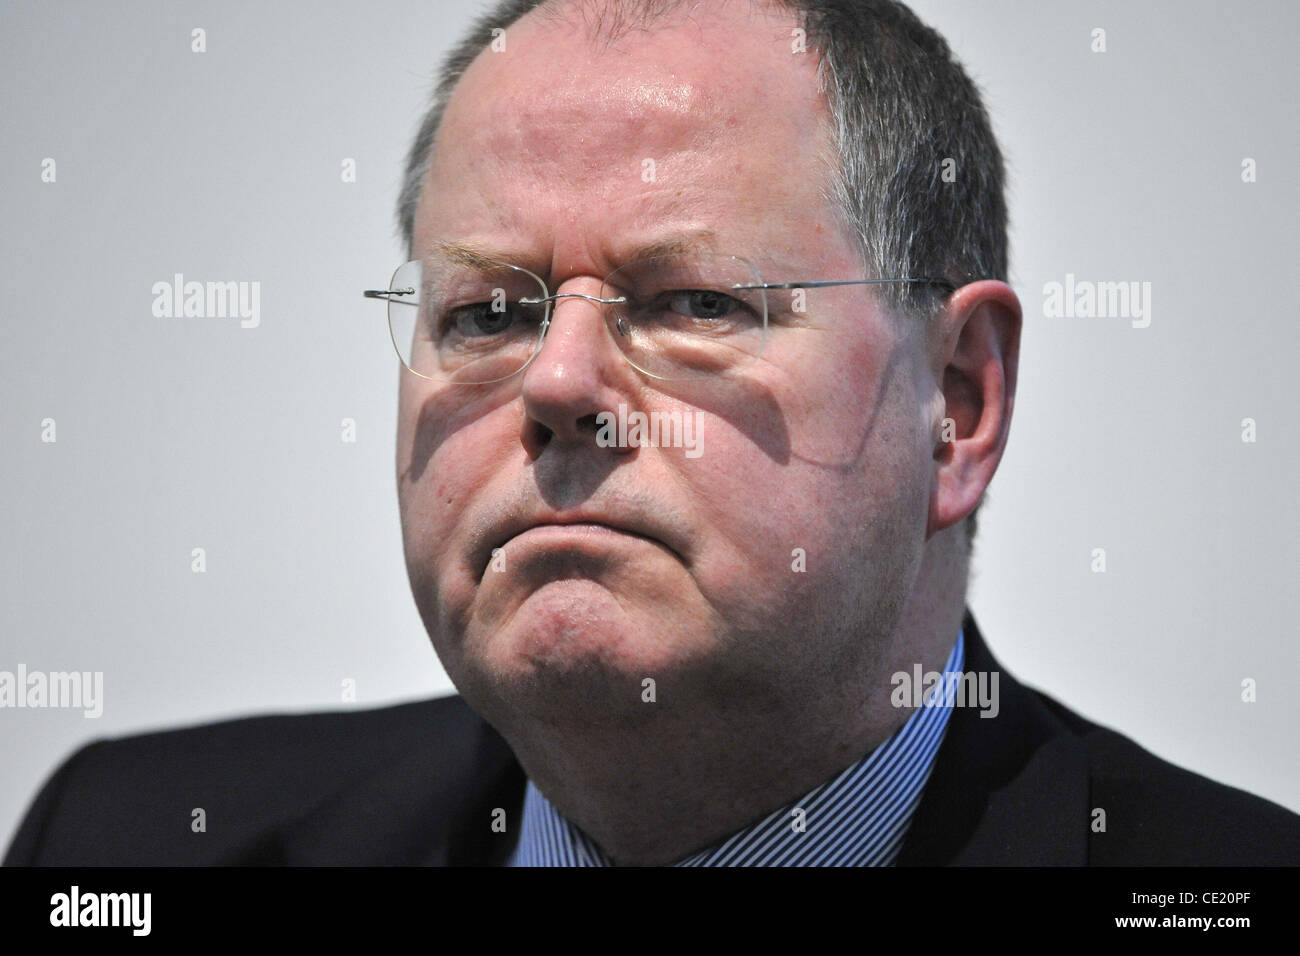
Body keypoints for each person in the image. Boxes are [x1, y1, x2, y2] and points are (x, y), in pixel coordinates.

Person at [7, 0, 1299, 867]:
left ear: (955, 402)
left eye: (693, 302)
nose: (560, 381)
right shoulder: (124, 851)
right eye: (487, 311)